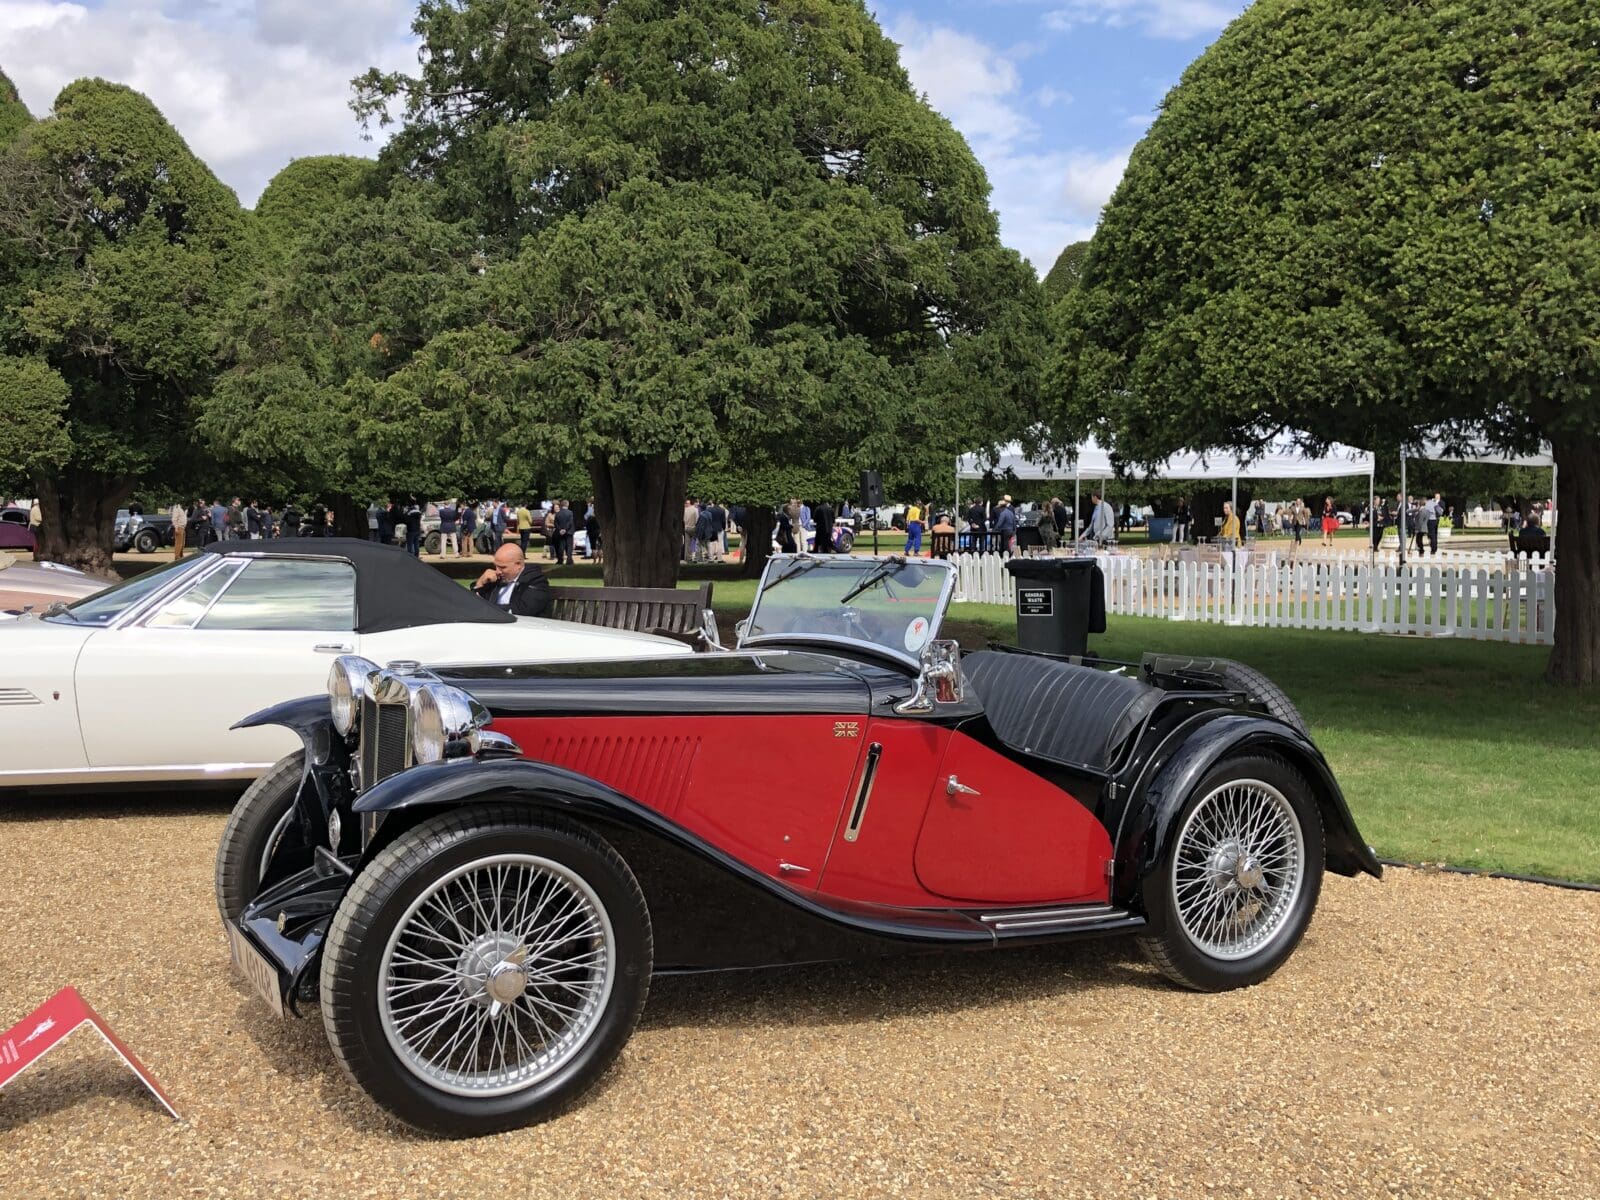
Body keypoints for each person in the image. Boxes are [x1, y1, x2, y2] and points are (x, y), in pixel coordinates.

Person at [473, 544, 552, 617]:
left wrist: (487, 608)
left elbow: (523, 610)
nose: (497, 571)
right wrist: (480, 582)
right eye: (496, 566)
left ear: (518, 564)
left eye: (502, 567)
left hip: (524, 628)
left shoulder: (536, 580)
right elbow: (473, 604)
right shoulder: (497, 579)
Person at [553, 499, 576, 565]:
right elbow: (570, 523)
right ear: (567, 504)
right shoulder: (570, 513)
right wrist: (565, 529)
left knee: (561, 546)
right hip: (569, 532)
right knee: (569, 546)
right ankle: (569, 560)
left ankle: (560, 560)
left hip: (560, 532)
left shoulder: (558, 513)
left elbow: (555, 523)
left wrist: (560, 529)